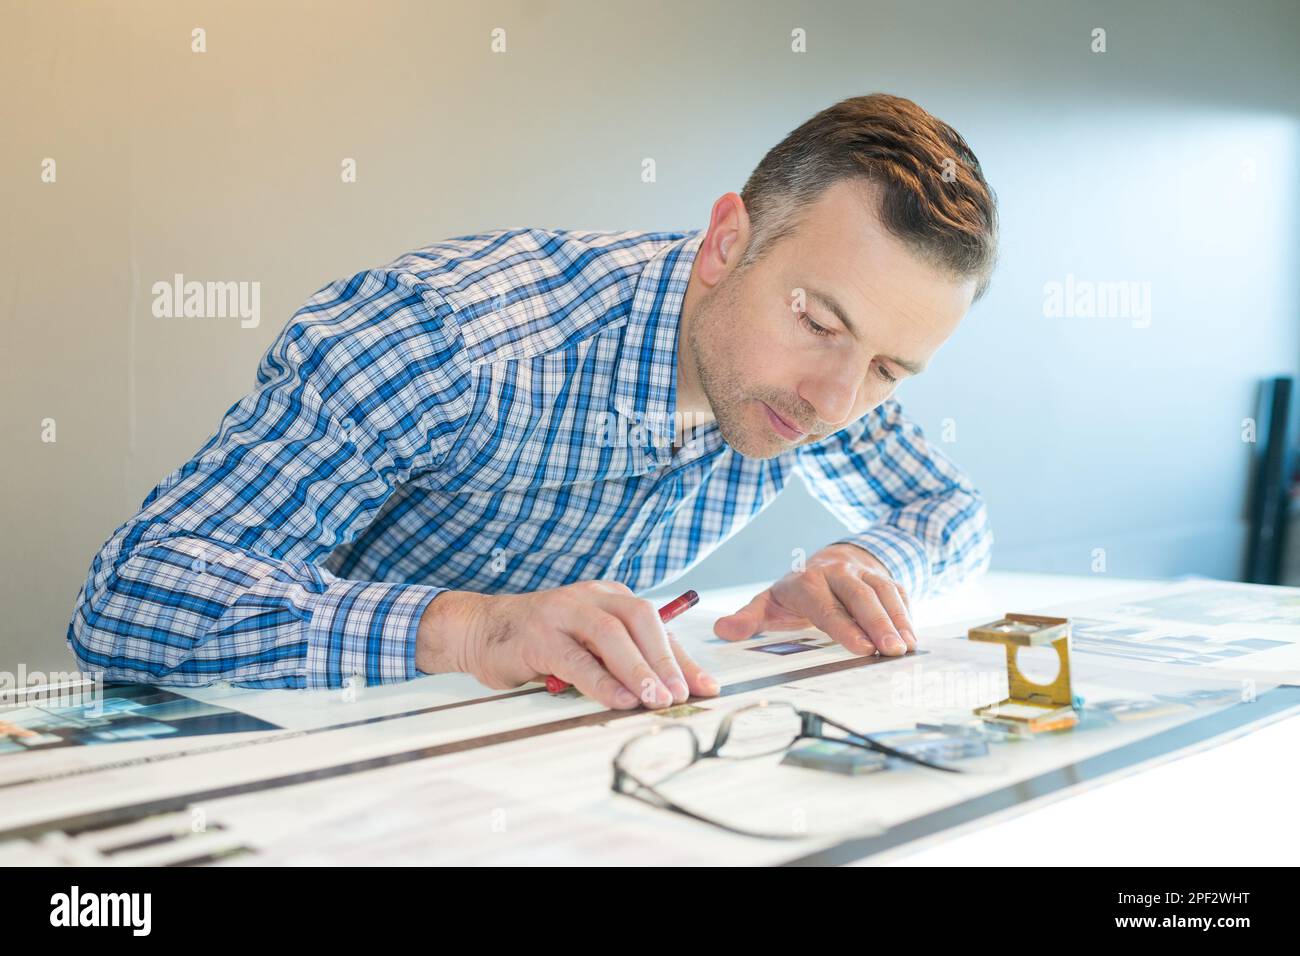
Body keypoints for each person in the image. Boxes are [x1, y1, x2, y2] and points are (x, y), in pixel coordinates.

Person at [69, 92, 998, 711]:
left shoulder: (816, 380)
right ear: (726, 244)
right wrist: (478, 627)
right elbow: (129, 595)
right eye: (818, 322)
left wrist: (869, 565)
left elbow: (947, 509)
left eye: (888, 371)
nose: (838, 400)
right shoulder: (445, 339)